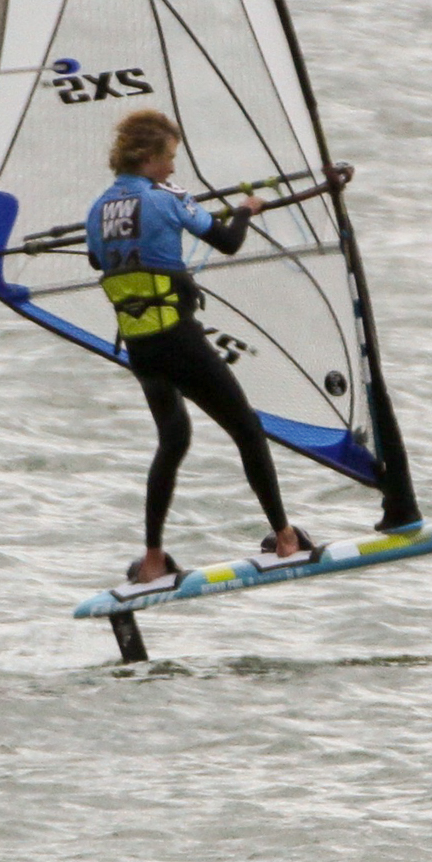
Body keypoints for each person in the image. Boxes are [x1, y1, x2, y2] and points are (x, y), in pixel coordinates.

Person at [87, 110, 350, 587]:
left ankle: (152, 559)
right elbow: (227, 241)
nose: (173, 167)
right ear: (147, 157)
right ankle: (286, 537)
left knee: (173, 440)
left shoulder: (98, 210)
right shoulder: (167, 198)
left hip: (141, 347)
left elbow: (95, 257)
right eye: (169, 157)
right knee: (247, 429)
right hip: (177, 339)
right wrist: (247, 209)